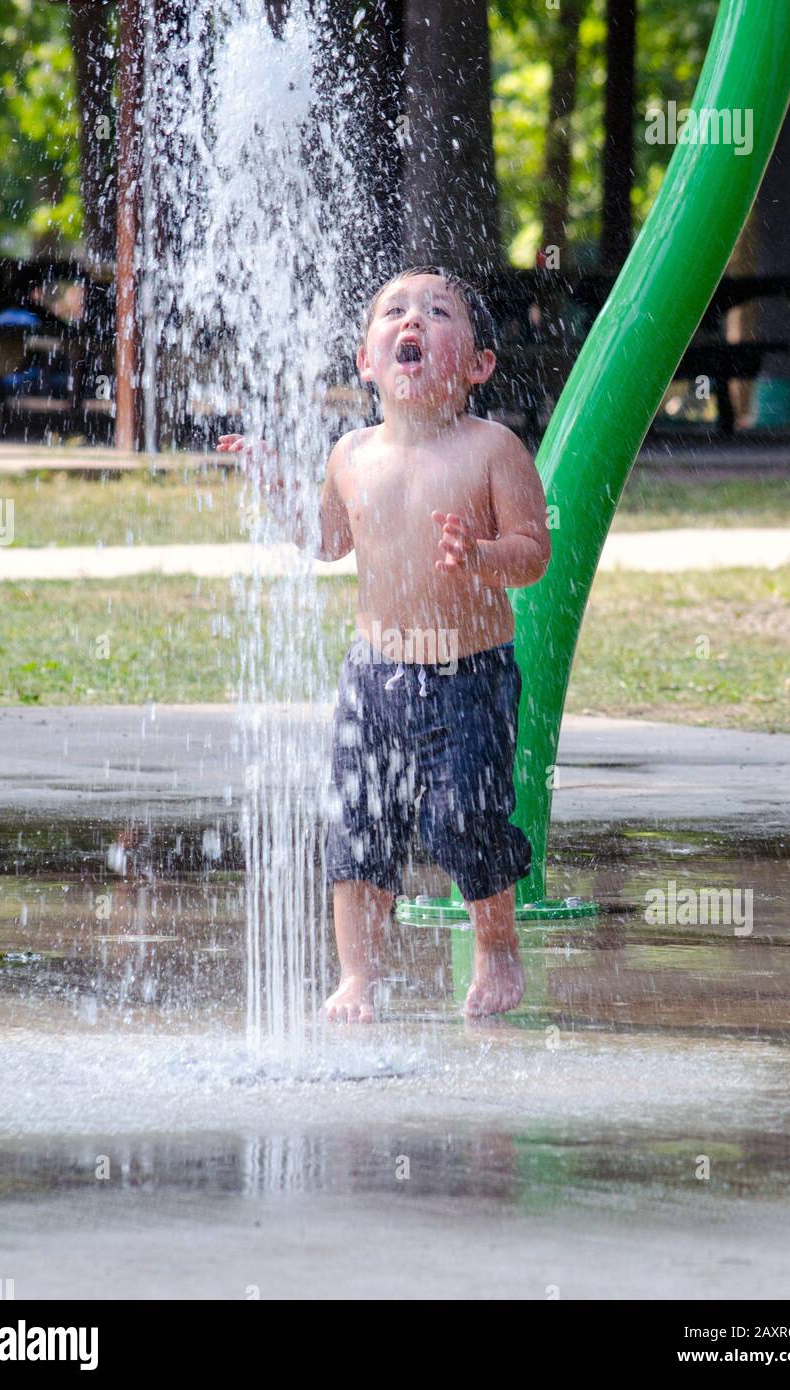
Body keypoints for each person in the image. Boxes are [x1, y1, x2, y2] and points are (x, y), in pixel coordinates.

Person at [217, 266, 550, 1020]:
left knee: (463, 820)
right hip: (372, 677)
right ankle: (357, 975)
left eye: (437, 313)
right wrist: (275, 487)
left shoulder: (492, 449)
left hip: (467, 675)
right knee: (357, 827)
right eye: (393, 312)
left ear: (475, 365)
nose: (413, 322)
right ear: (367, 361)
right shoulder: (350, 454)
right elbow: (326, 541)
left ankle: (495, 948)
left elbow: (533, 553)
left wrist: (480, 556)